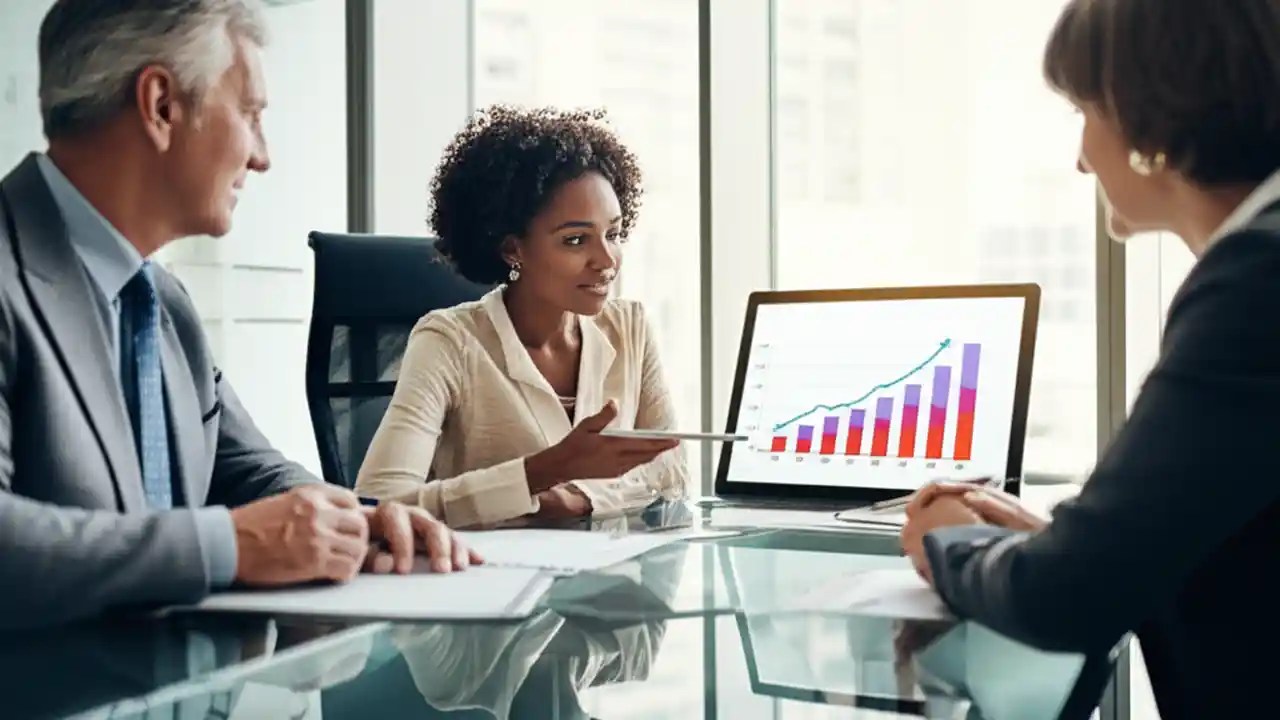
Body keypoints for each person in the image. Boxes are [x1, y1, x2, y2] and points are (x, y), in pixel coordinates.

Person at [0, 0, 478, 629]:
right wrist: (232, 545)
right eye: (251, 115)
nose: (262, 156)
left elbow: (245, 468)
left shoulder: (162, 300)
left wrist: (356, 518)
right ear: (162, 106)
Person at [898, 0, 1280, 715]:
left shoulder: (1256, 282)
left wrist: (950, 543)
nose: (1079, 158)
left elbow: (1068, 600)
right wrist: (1061, 546)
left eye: (1083, 111)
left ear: (1147, 114)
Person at [356, 106, 688, 528]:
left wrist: (580, 499)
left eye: (614, 234)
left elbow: (672, 474)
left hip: (609, 582)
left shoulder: (629, 329)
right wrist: (541, 473)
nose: (606, 260)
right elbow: (380, 505)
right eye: (575, 240)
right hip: (487, 584)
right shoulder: (449, 341)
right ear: (513, 249)